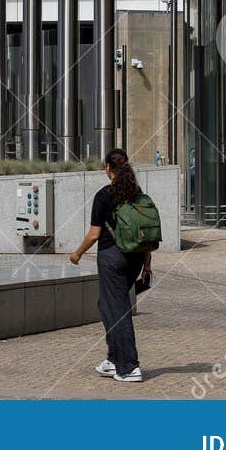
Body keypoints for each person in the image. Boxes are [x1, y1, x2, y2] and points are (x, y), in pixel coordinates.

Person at [69, 148, 151, 383]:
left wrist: (77, 254)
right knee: (107, 306)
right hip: (135, 258)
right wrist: (147, 261)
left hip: (112, 259)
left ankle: (129, 367)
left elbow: (94, 234)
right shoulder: (136, 193)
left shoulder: (104, 195)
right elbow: (144, 231)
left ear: (108, 167)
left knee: (117, 310)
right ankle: (114, 359)